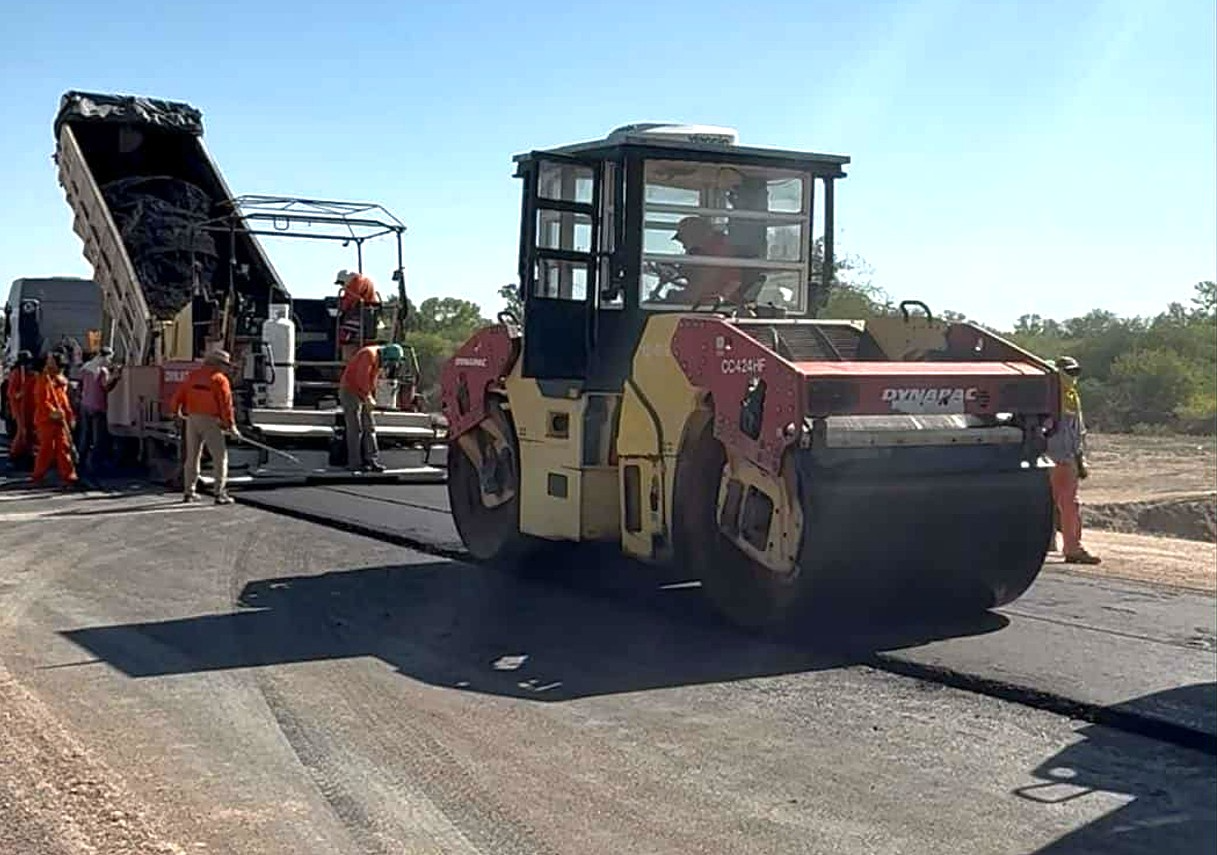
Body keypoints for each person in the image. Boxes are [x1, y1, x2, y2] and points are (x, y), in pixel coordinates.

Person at [1046, 356, 1100, 565]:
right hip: (1052, 458)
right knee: (1061, 504)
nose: (1073, 376)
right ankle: (1068, 547)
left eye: (1075, 372)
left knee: (1068, 504)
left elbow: (1078, 432)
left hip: (1066, 458)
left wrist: (1080, 459)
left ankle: (1070, 547)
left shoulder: (1071, 395)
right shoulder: (1049, 394)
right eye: (1069, 372)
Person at [169, 347, 238, 505]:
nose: (226, 368)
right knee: (220, 457)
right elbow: (226, 406)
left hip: (192, 419)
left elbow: (178, 396)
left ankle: (189, 492)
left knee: (192, 457)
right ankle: (219, 493)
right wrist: (231, 426)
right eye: (225, 365)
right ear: (217, 364)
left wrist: (175, 412)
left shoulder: (192, 376)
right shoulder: (220, 380)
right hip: (211, 421)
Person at [338, 343, 403, 473]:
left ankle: (371, 459)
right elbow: (361, 378)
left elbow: (370, 380)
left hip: (363, 392)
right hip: (350, 391)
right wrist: (367, 397)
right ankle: (354, 463)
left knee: (369, 426)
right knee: (355, 428)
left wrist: (370, 395)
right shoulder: (368, 355)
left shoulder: (377, 359)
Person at [30, 353, 80, 489]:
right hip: (46, 420)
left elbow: (65, 403)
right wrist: (53, 412)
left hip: (60, 421)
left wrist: (70, 417)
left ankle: (69, 477)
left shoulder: (59, 381)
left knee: (64, 448)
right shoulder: (44, 380)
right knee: (47, 449)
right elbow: (42, 401)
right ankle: (38, 476)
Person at [670, 216, 744, 306]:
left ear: (693, 235)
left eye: (683, 239)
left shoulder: (717, 251)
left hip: (709, 305)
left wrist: (720, 299)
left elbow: (734, 281)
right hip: (702, 302)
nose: (683, 246)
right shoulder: (701, 253)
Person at [78, 346, 121, 471]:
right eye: (109, 359)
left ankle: (80, 463)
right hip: (98, 407)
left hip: (85, 405)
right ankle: (94, 464)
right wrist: (116, 377)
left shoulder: (86, 368)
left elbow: (80, 385)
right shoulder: (102, 371)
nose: (110, 361)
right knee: (98, 439)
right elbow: (106, 386)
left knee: (85, 436)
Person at [336, 270, 381, 360]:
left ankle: (342, 357)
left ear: (346, 279)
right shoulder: (366, 281)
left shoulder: (354, 284)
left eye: (341, 283)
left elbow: (348, 302)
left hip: (361, 317)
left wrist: (341, 307)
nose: (342, 286)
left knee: (342, 334)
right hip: (370, 317)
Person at [6, 350, 34, 469]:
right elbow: (11, 392)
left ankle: (28, 453)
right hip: (19, 407)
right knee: (22, 431)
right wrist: (19, 394)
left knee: (29, 430)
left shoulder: (30, 374)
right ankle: (13, 455)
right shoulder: (16, 373)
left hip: (29, 406)